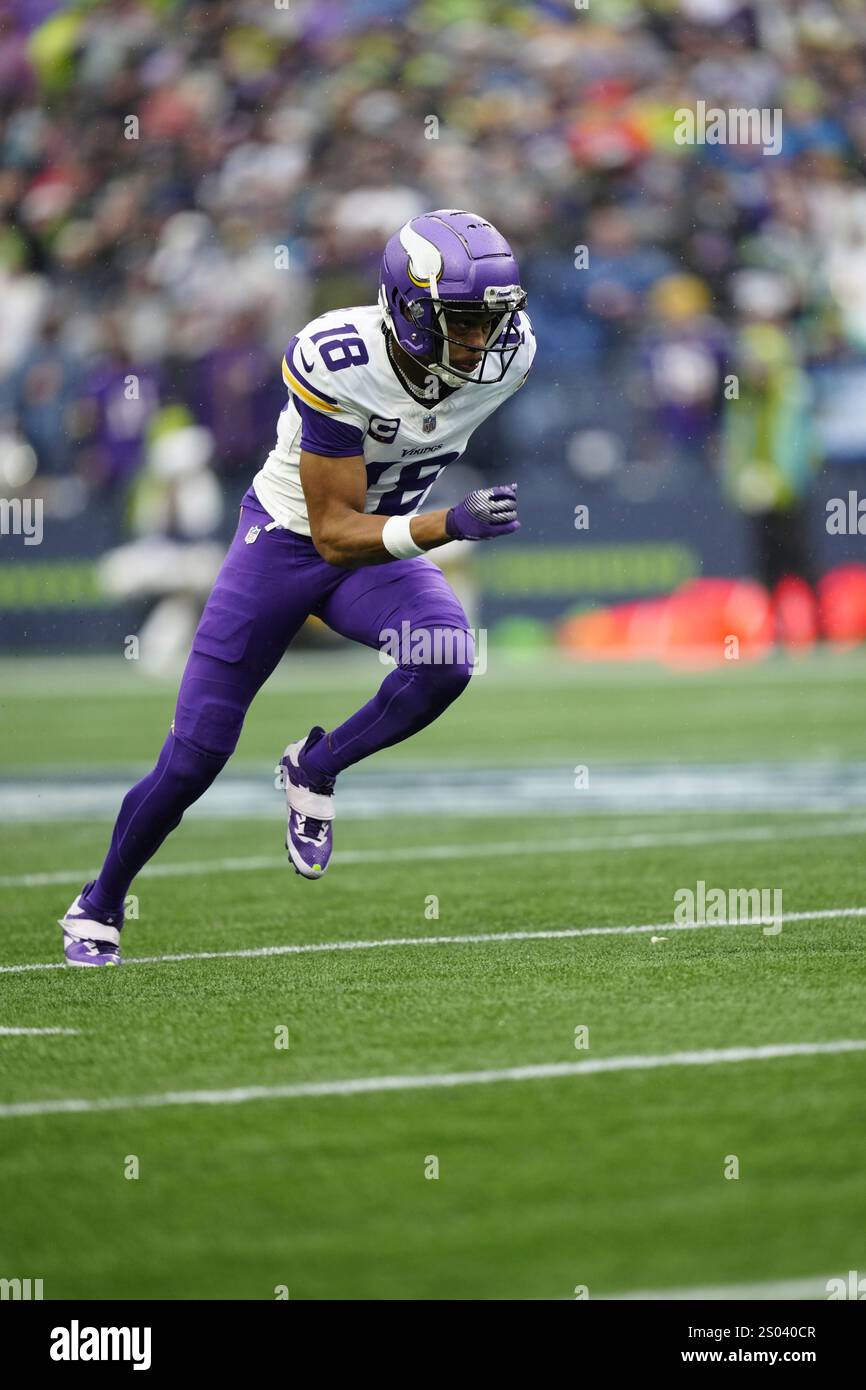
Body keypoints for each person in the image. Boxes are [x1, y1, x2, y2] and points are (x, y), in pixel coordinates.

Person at [59, 209, 536, 965]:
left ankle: (314, 768)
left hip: (374, 546)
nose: (485, 341)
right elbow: (330, 533)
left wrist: (427, 522)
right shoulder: (338, 358)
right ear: (411, 312)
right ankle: (101, 900)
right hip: (286, 545)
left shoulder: (511, 357)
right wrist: (448, 524)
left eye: (492, 321)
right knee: (195, 756)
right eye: (465, 322)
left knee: (446, 655)